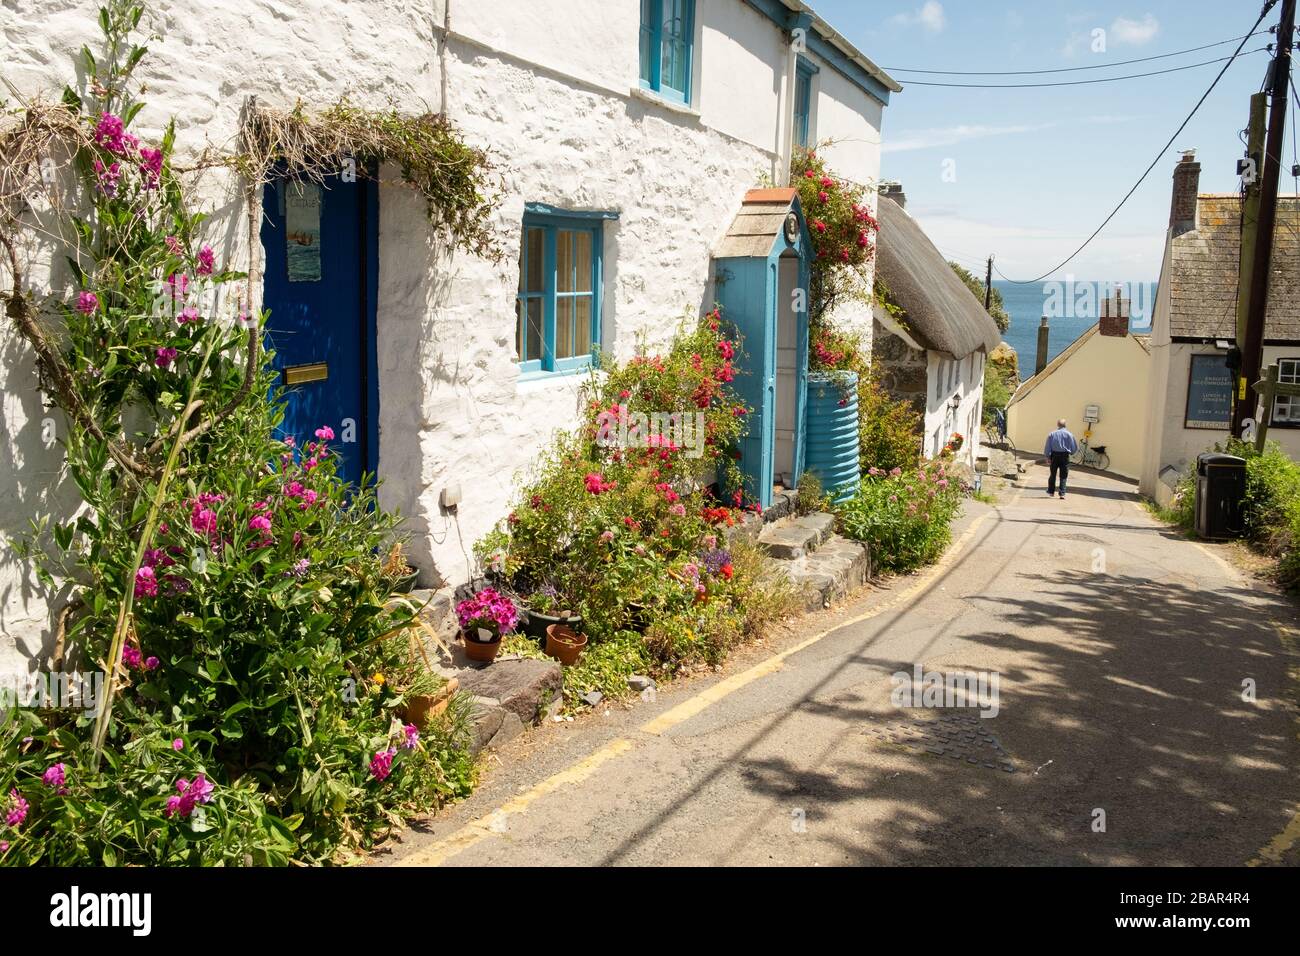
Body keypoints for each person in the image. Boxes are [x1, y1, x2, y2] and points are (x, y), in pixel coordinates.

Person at [1043, 418, 1078, 499]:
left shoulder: (1052, 434)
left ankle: (1051, 492)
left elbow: (1047, 446)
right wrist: (1071, 452)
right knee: (1063, 475)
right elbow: (1074, 447)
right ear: (1065, 425)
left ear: (1058, 425)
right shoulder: (1069, 434)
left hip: (1054, 456)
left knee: (1053, 474)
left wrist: (1047, 456)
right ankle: (1062, 493)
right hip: (1065, 456)